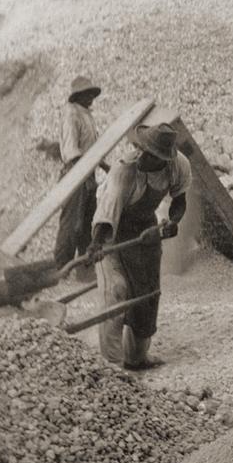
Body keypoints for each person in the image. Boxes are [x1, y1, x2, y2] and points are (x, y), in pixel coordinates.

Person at [88, 123, 192, 369]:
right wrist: (97, 244)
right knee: (116, 291)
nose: (143, 156)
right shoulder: (124, 171)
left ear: (164, 159)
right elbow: (107, 213)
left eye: (151, 154)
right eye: (142, 149)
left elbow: (180, 200)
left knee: (147, 294)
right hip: (111, 229)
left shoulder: (178, 166)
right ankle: (112, 365)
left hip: (146, 228)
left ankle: (136, 358)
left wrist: (173, 222)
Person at [54, 76, 107, 269]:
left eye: (92, 93)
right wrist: (84, 178)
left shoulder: (86, 114)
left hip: (87, 173)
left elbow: (92, 150)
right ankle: (62, 267)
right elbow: (72, 152)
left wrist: (105, 168)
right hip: (75, 173)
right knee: (72, 224)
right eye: (87, 93)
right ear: (78, 95)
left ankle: (86, 268)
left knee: (87, 222)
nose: (91, 97)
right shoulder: (71, 114)